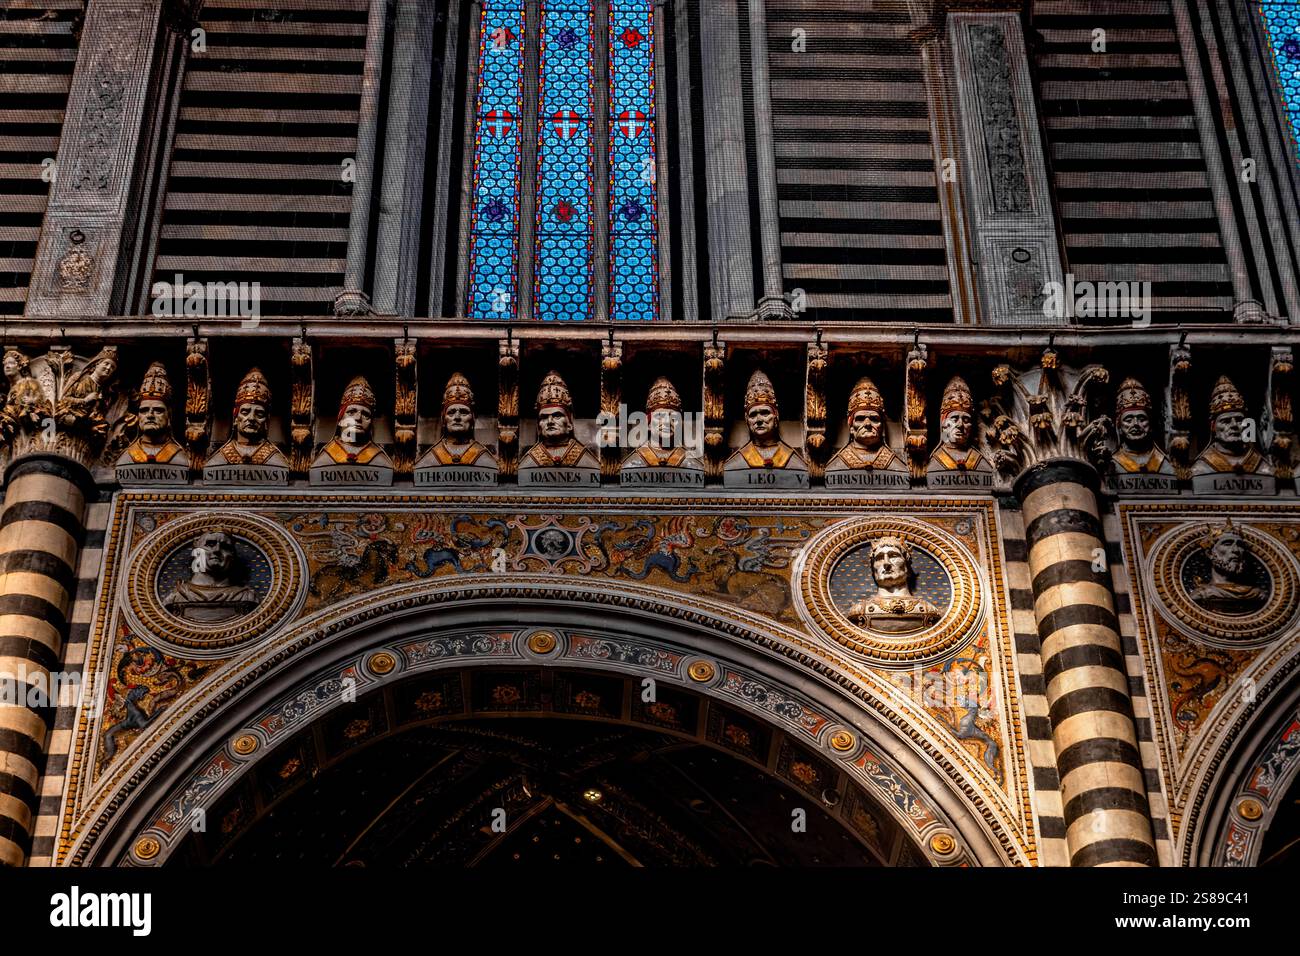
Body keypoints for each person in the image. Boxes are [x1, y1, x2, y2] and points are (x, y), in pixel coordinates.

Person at [847, 535, 941, 634]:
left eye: (893, 556)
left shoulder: (929, 610)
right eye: (879, 558)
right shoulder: (858, 611)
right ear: (873, 570)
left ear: (907, 567)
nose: (886, 563)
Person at [161, 530, 258, 623]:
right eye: (210, 544)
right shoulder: (176, 596)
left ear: (232, 556)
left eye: (225, 547)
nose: (217, 550)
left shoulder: (246, 596)